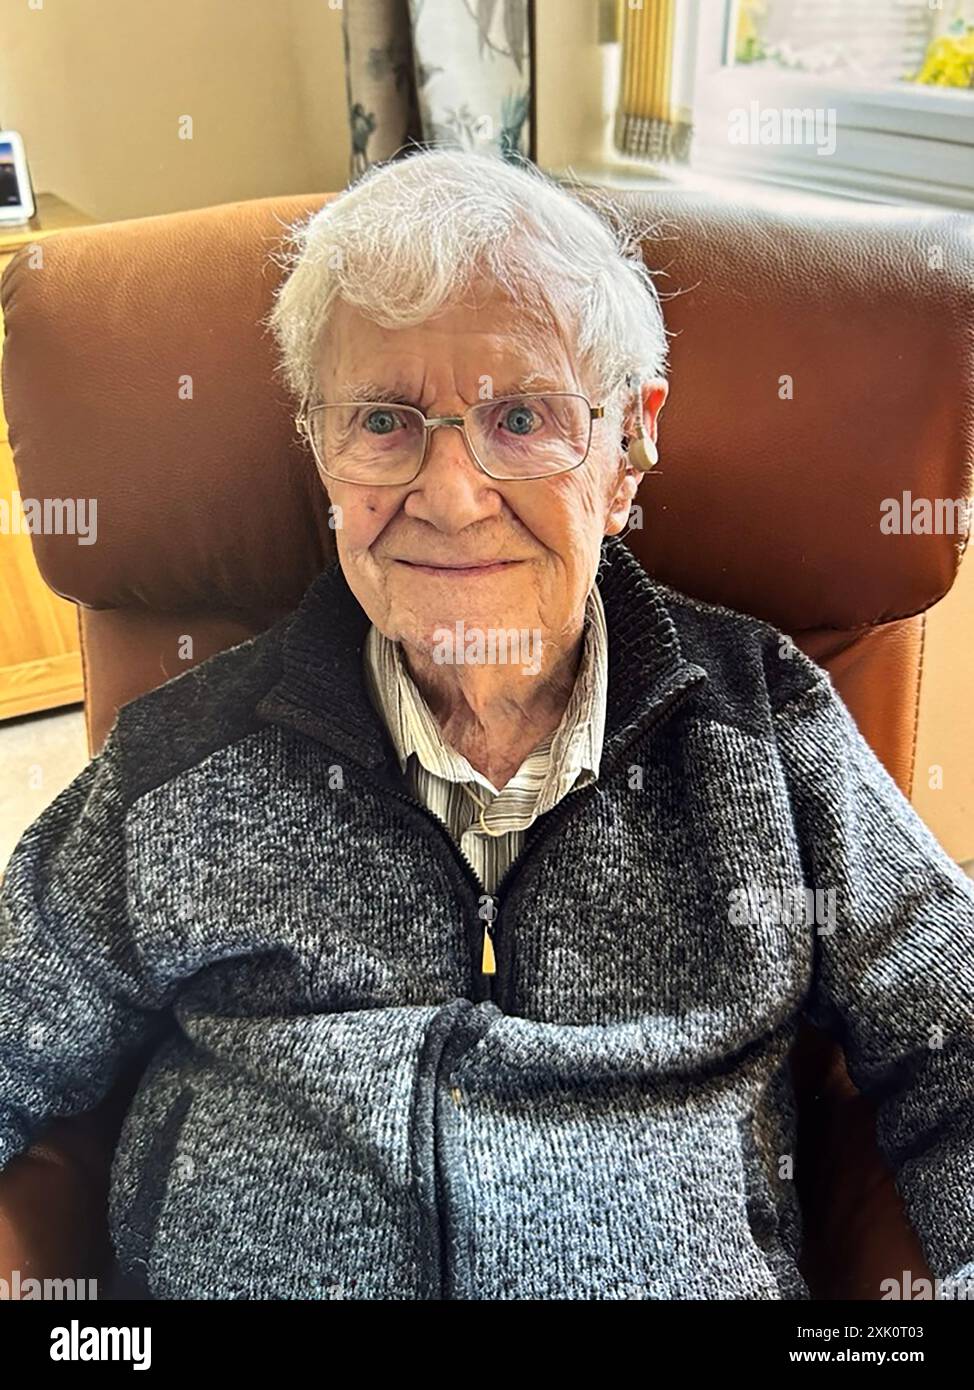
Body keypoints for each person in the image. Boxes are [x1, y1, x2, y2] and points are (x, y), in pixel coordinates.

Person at [1, 149, 972, 1299]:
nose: (452, 496)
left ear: (627, 448)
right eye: (382, 418)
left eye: (522, 416)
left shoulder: (761, 724)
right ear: (317, 442)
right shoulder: (178, 759)